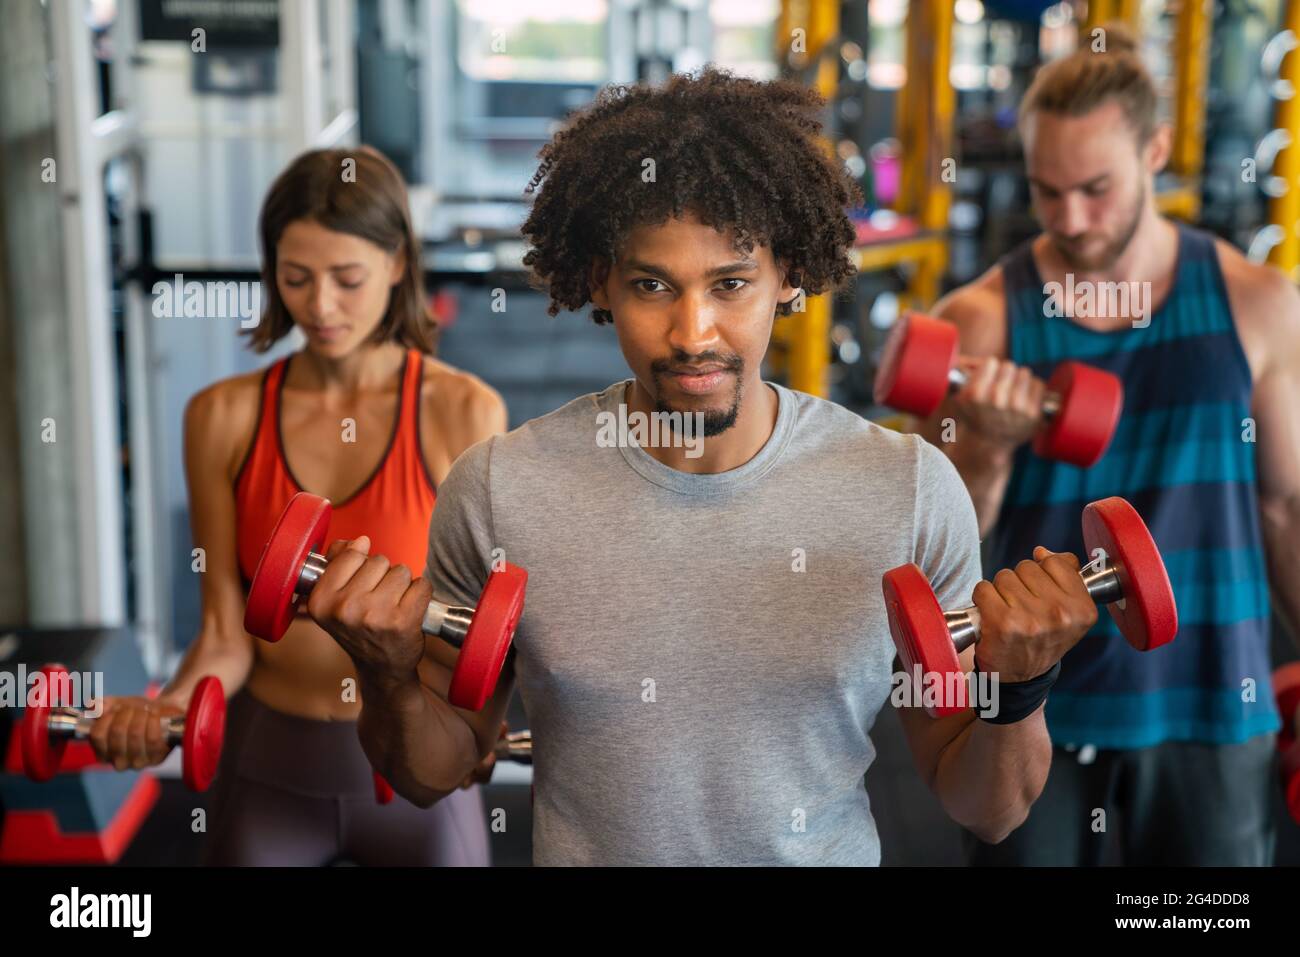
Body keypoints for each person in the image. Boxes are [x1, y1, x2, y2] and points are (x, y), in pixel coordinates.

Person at [304, 69, 1103, 865]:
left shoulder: (907, 491)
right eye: (653, 285)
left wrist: (1020, 691)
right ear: (600, 283)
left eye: (730, 284)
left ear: (786, 276)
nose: (694, 332)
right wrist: (387, 676)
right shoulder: (500, 491)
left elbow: (986, 807)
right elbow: (433, 769)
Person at [919, 28, 1300, 865]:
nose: (1071, 220)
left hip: (1212, 689)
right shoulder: (981, 320)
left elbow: (1283, 506)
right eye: (1047, 192)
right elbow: (945, 540)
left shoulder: (1260, 303)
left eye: (1096, 188)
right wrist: (987, 442)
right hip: (1037, 696)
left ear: (1155, 151)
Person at [87, 147, 507, 866]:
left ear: (398, 264)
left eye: (347, 279)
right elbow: (224, 631)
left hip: (414, 771)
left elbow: (480, 638)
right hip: (271, 761)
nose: (319, 306)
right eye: (295, 278)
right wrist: (166, 710)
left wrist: (474, 734)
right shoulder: (221, 416)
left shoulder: (462, 412)